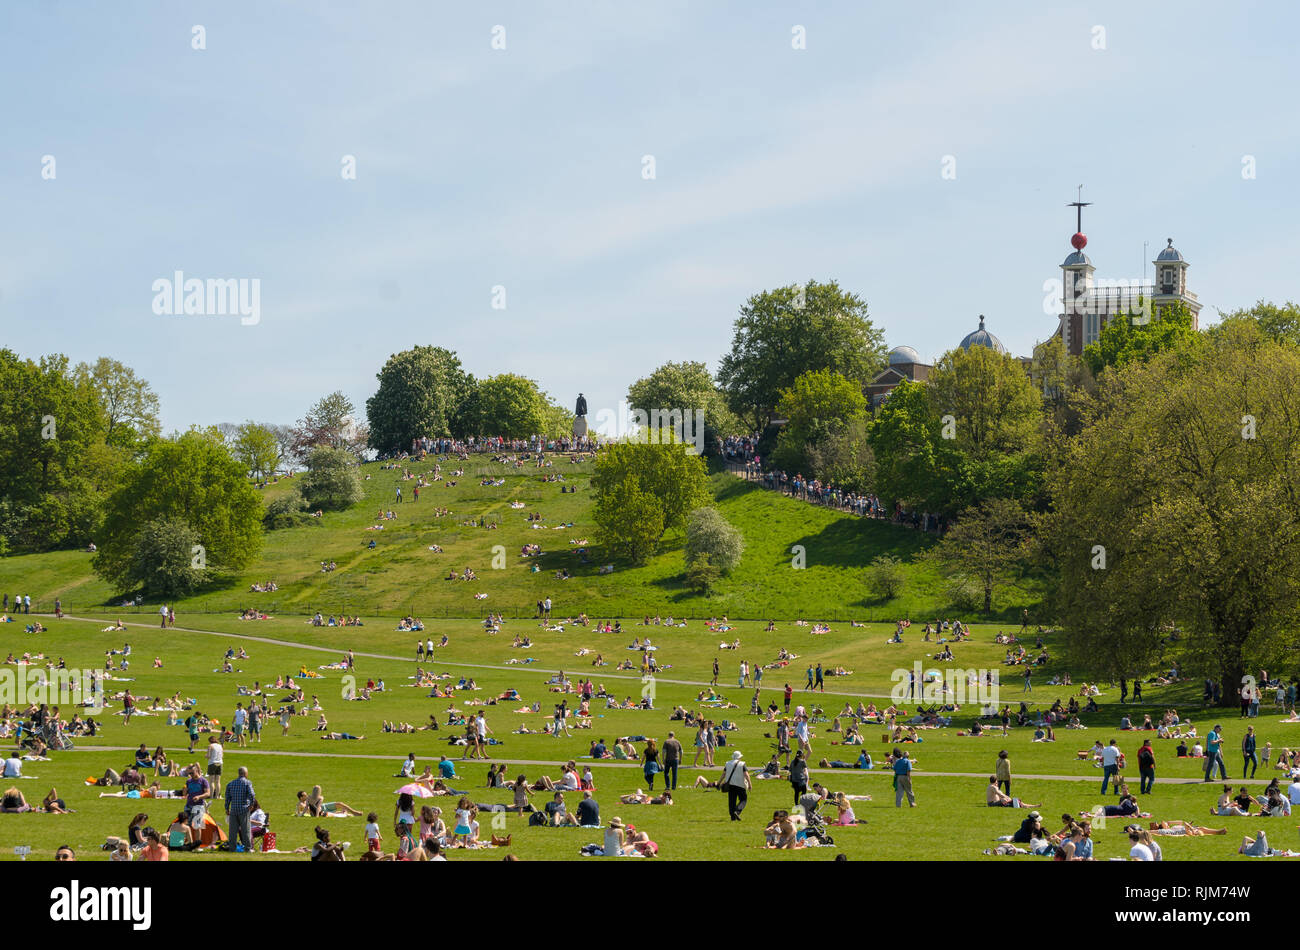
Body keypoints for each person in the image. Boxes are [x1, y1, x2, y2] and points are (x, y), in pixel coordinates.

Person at [224, 765, 255, 853]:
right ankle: (248, 849)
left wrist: (227, 808)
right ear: (245, 773)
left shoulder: (230, 783)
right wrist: (251, 804)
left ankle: (232, 849)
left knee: (232, 831)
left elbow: (227, 798)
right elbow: (252, 794)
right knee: (246, 831)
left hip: (233, 810)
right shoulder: (247, 783)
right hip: (244, 810)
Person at [722, 750, 751, 820]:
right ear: (739, 757)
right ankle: (737, 811)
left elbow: (723, 774)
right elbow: (746, 775)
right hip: (740, 785)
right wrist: (750, 784)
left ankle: (732, 817)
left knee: (732, 801)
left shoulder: (727, 763)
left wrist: (719, 782)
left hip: (731, 785)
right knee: (743, 799)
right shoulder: (742, 764)